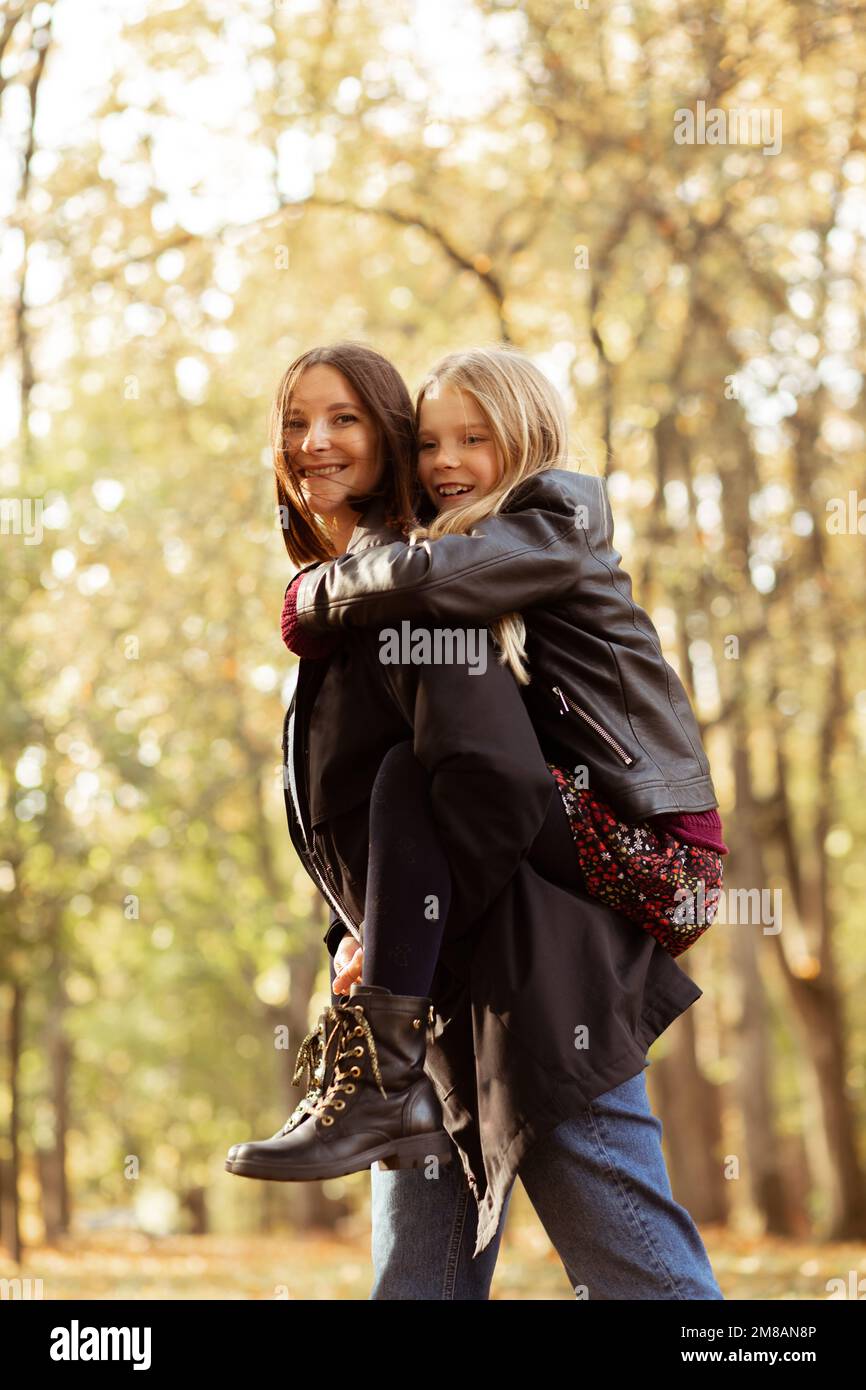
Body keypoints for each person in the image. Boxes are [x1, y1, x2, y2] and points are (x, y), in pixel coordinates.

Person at [226, 341, 723, 1299]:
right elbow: (364, 825)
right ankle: (384, 1071)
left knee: (643, 1279)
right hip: (438, 976)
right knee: (418, 1283)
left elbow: (490, 783)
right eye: (295, 423)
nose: (314, 443)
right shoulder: (422, 576)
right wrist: (362, 935)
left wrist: (313, 596)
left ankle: (380, 1070)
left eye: (346, 420)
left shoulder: (455, 568)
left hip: (545, 949)